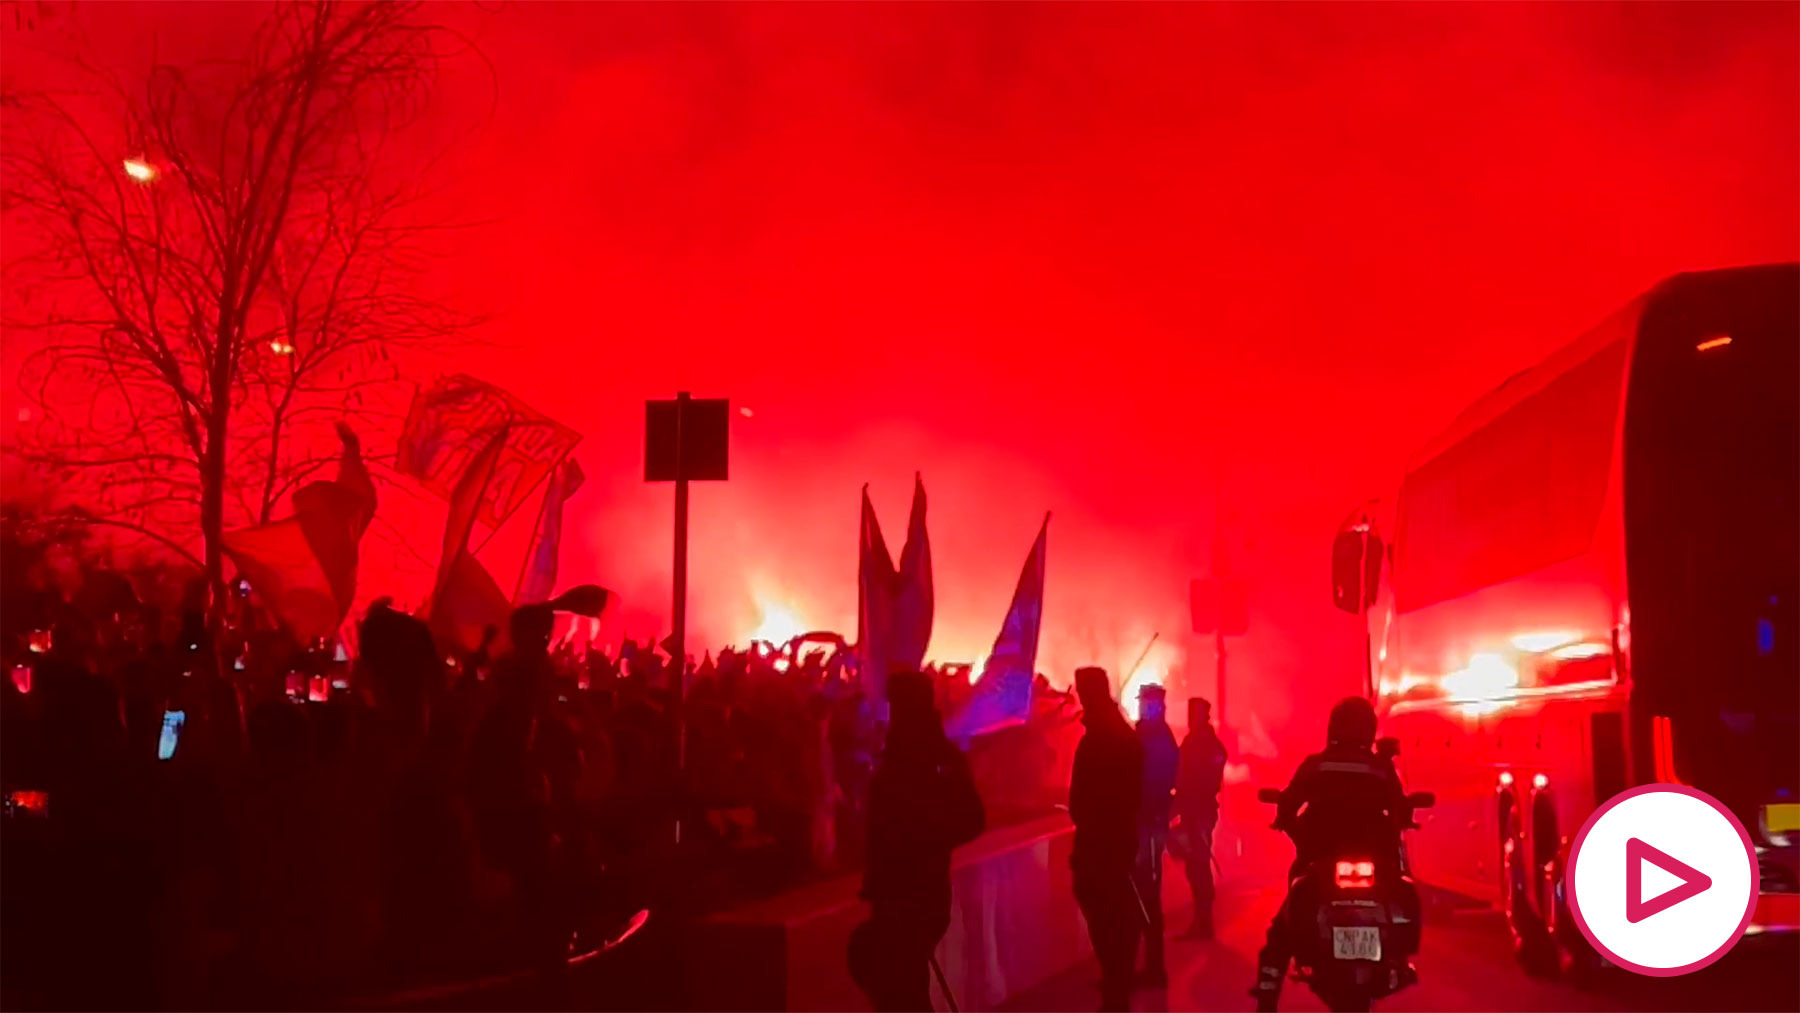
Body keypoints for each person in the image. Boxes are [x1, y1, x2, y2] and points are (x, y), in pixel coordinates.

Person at [1251, 696, 1410, 1010]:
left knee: (1280, 936)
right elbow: (1400, 809)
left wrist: (1286, 823)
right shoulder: (1380, 768)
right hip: (1374, 864)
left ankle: (1267, 999)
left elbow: (1289, 803)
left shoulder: (1316, 765)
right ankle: (1395, 962)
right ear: (1369, 729)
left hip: (1320, 860)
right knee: (1397, 903)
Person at [849, 670, 985, 1012]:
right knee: (901, 987)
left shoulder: (938, 759)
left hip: (918, 894)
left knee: (902, 990)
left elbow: (972, 819)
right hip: (899, 893)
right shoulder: (905, 755)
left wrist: (928, 840)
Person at [1068, 667, 1143, 1012]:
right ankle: (1118, 987)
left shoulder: (1098, 739)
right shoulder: (1123, 735)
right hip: (1120, 842)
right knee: (1117, 917)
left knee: (1107, 919)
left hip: (1100, 846)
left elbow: (1079, 802)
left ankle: (1116, 990)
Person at [1133, 683, 1179, 986]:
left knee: (1147, 896)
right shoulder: (1154, 736)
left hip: (1149, 825)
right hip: (1148, 823)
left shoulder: (1157, 738)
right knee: (1143, 894)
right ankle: (1149, 965)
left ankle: (1154, 968)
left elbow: (1153, 779)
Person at [1174, 697, 1227, 939]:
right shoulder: (1198, 741)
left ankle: (1204, 922)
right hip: (1193, 810)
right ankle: (1201, 920)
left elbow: (1205, 779)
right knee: (1196, 866)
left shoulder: (1206, 744)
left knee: (1199, 866)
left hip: (1200, 811)